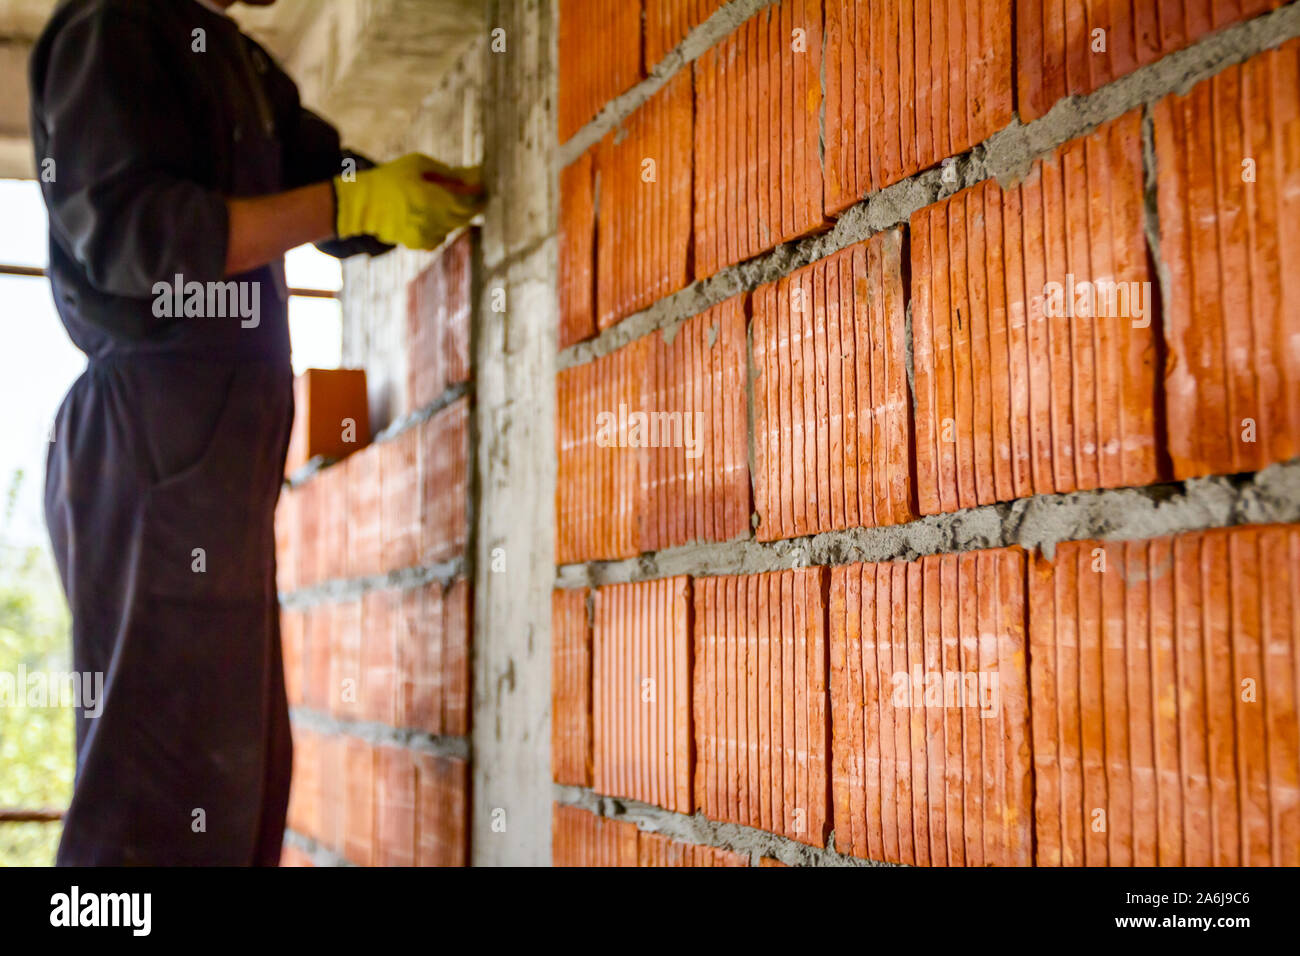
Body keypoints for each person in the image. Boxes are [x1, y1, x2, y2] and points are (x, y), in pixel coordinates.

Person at [29, 0, 482, 865]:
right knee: (155, 793)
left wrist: (387, 193)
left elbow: (319, 180)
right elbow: (140, 238)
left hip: (215, 460)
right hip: (154, 445)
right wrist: (348, 200)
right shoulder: (114, 26)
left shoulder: (226, 54)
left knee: (236, 784)